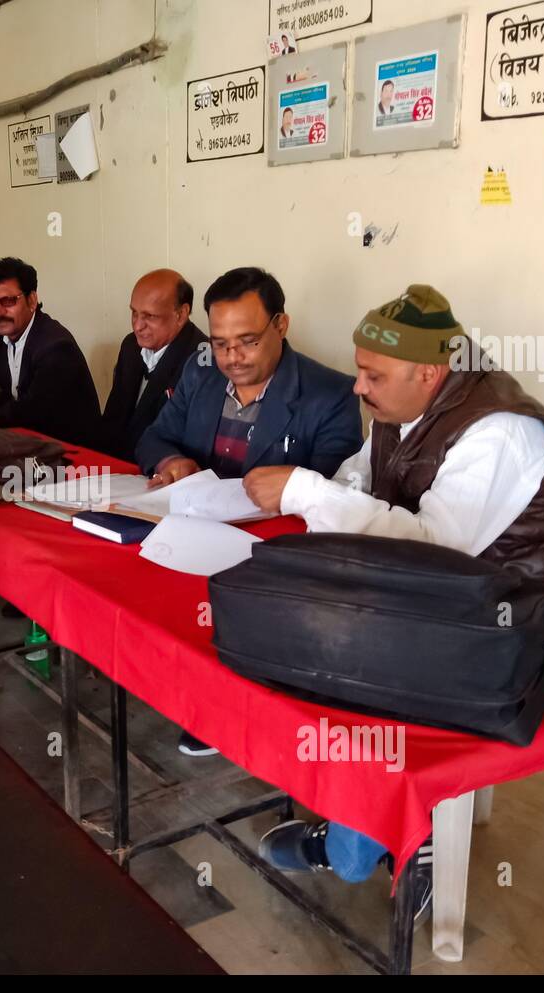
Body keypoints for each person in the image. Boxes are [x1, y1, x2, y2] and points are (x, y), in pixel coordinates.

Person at [242, 283, 544, 919]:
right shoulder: (402, 409)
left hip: (534, 623)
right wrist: (318, 488)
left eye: (372, 374)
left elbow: (436, 547)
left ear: (429, 372)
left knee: (361, 658)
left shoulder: (500, 432)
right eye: (359, 371)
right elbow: (363, 479)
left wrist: (306, 493)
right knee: (307, 624)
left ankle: (369, 840)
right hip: (462, 599)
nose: (358, 387)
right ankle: (386, 819)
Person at [136, 266, 362, 756]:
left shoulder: (330, 395)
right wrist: (170, 459)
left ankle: (229, 706)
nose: (232, 358)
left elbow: (335, 497)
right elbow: (153, 435)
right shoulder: (200, 374)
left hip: (270, 557)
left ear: (281, 325)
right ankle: (175, 686)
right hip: (191, 532)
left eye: (247, 341)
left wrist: (291, 490)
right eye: (219, 343)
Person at [0, 256, 101, 448]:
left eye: (8, 301)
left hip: (70, 456)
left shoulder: (56, 347)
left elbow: (29, 416)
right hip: (27, 444)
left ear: (32, 300)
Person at [100, 268, 207, 462]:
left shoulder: (202, 359)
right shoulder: (131, 345)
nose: (138, 326)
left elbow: (187, 441)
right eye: (134, 313)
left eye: (150, 316)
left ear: (181, 314)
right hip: (116, 468)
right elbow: (113, 419)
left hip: (161, 470)